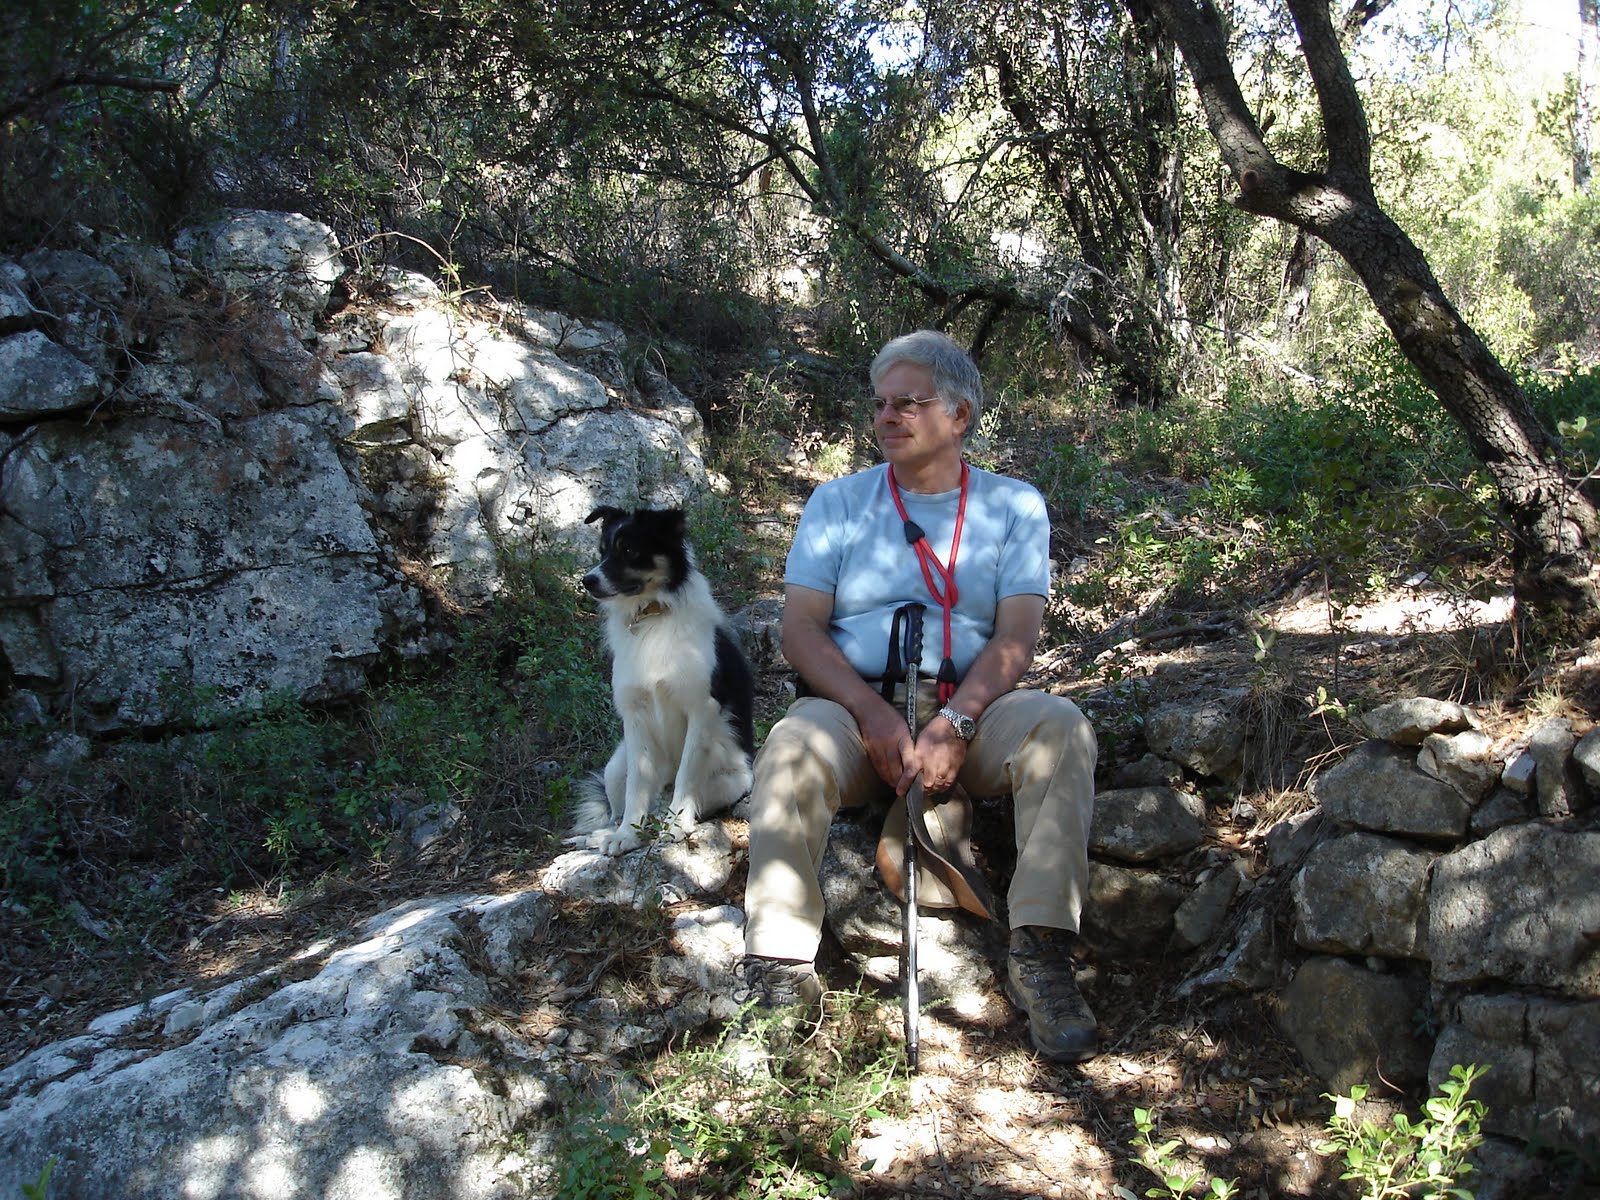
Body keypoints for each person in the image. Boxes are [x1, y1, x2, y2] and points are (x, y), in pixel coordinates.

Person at [737, 329, 1100, 1064]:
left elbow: (1016, 638)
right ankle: (777, 968)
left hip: (972, 712)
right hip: (854, 711)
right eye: (881, 403)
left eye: (909, 402)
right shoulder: (838, 503)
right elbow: (800, 630)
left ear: (960, 415)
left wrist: (957, 721)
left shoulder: (1014, 506)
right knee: (792, 744)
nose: (888, 416)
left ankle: (1041, 953)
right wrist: (870, 714)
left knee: (1061, 727)